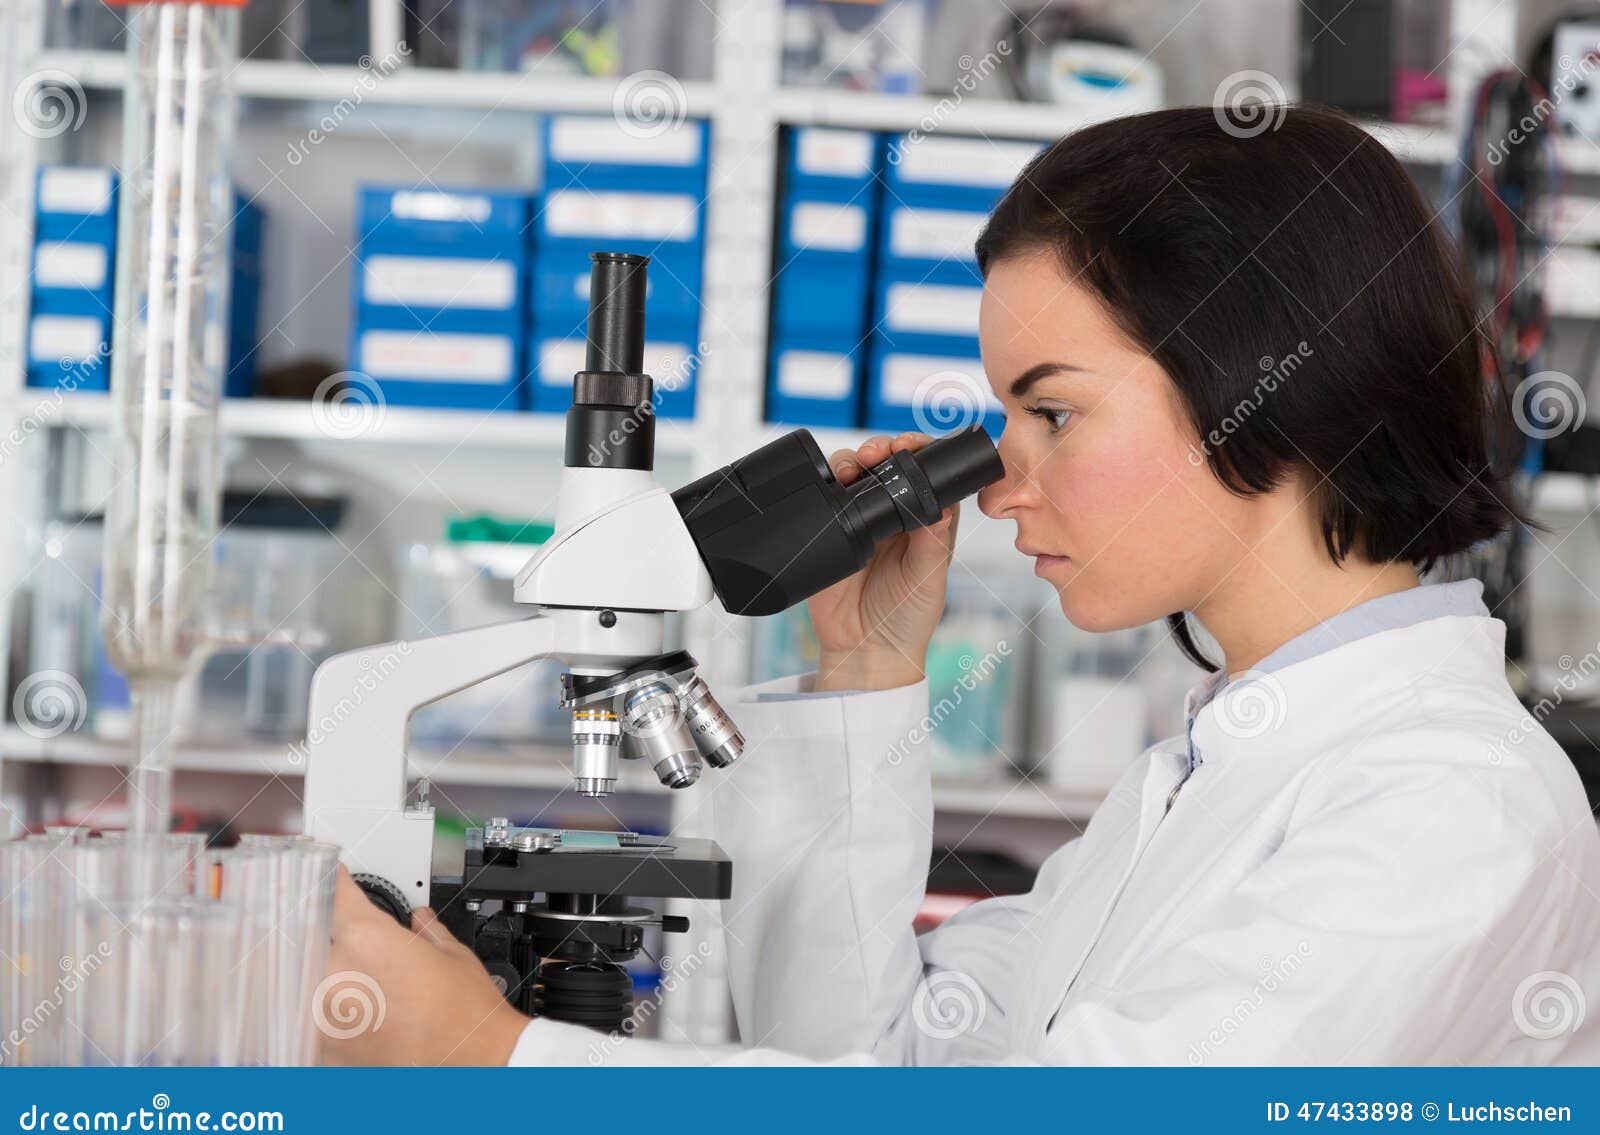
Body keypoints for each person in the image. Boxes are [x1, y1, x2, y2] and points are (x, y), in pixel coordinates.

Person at [322, 105, 1600, 1066]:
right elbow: (868, 1058)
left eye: (1050, 411)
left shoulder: (1451, 803)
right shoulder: (1204, 776)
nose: (996, 486)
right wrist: (865, 674)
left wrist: (496, 1056)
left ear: (1260, 378)